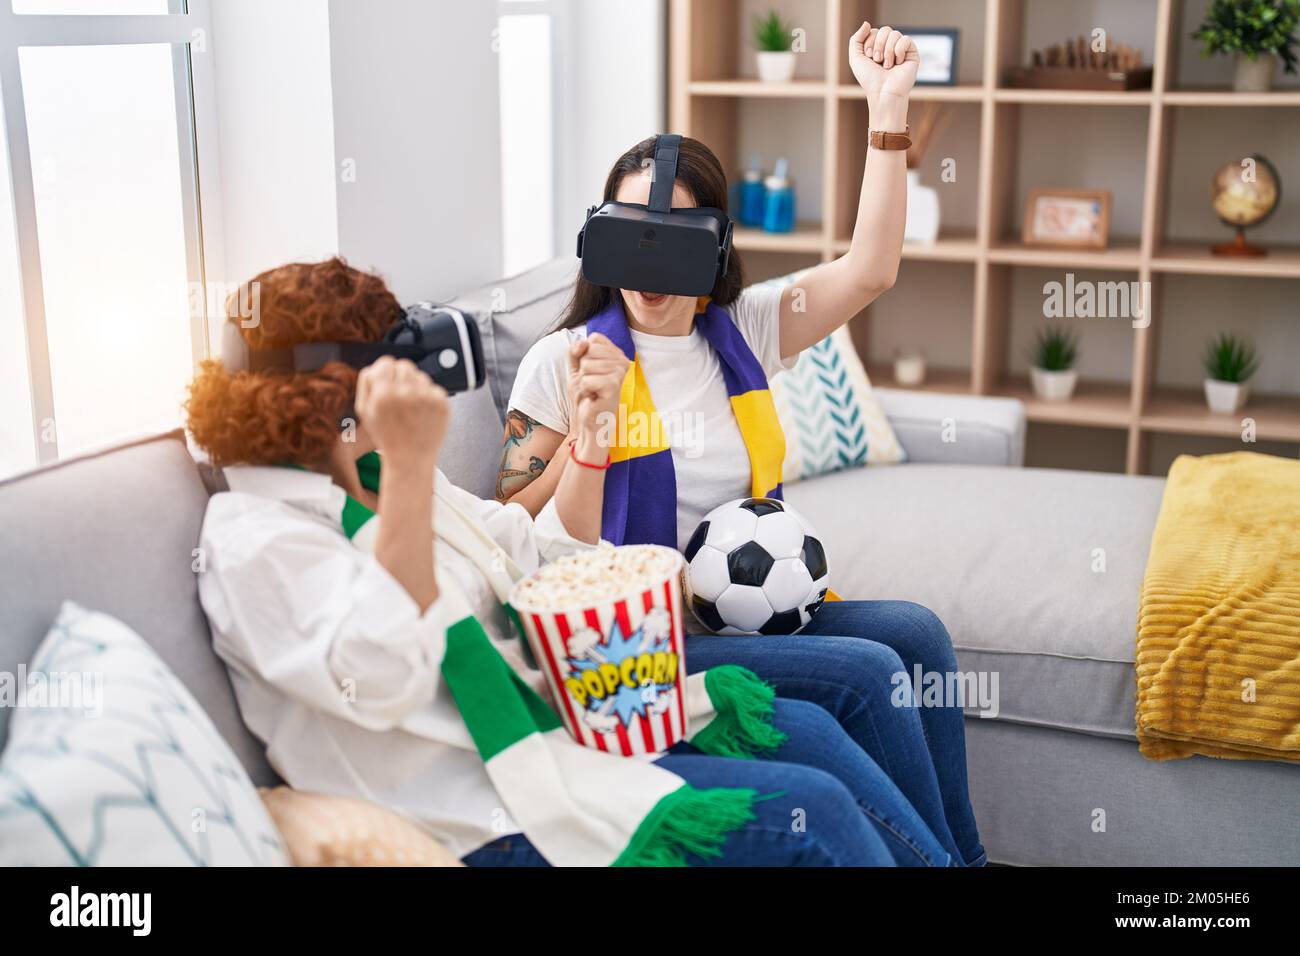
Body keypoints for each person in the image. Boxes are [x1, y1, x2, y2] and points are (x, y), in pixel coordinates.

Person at [187, 257, 962, 867]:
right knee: (816, 809)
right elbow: (384, 673)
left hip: (561, 709)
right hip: (483, 803)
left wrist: (591, 443)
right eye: (387, 370)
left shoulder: (372, 481)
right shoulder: (256, 539)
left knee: (807, 730)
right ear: (328, 395)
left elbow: (532, 555)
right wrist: (415, 469)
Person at [498, 24, 985, 866]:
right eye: (630, 232)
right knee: (868, 675)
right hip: (651, 635)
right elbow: (514, 524)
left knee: (916, 633)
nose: (650, 265)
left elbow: (871, 268)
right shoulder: (565, 359)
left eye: (678, 236)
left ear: (715, 243)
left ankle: (962, 854)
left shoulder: (749, 329)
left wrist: (889, 107)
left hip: (750, 606)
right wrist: (589, 436)